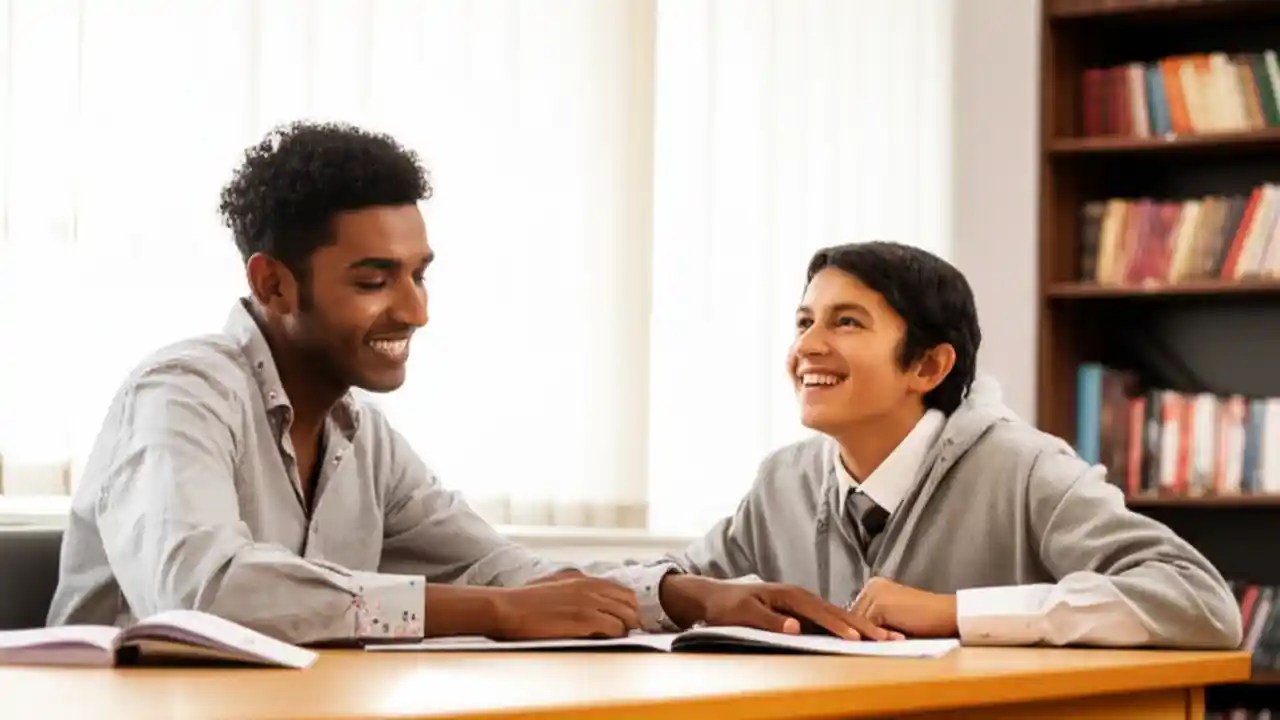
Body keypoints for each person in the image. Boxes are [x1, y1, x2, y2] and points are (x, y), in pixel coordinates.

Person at [47, 121, 670, 645]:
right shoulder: (179, 395)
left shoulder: (363, 437)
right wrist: (491, 612)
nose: (416, 312)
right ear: (273, 285)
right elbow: (204, 595)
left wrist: (673, 596)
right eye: (373, 282)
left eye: (418, 276)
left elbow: (498, 569)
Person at [651, 241, 1243, 649]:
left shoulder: (1027, 469)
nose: (807, 346)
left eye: (846, 322)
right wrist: (681, 595)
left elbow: (1199, 601)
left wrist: (956, 612)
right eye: (805, 322)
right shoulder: (783, 481)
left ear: (929, 366)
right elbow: (661, 585)